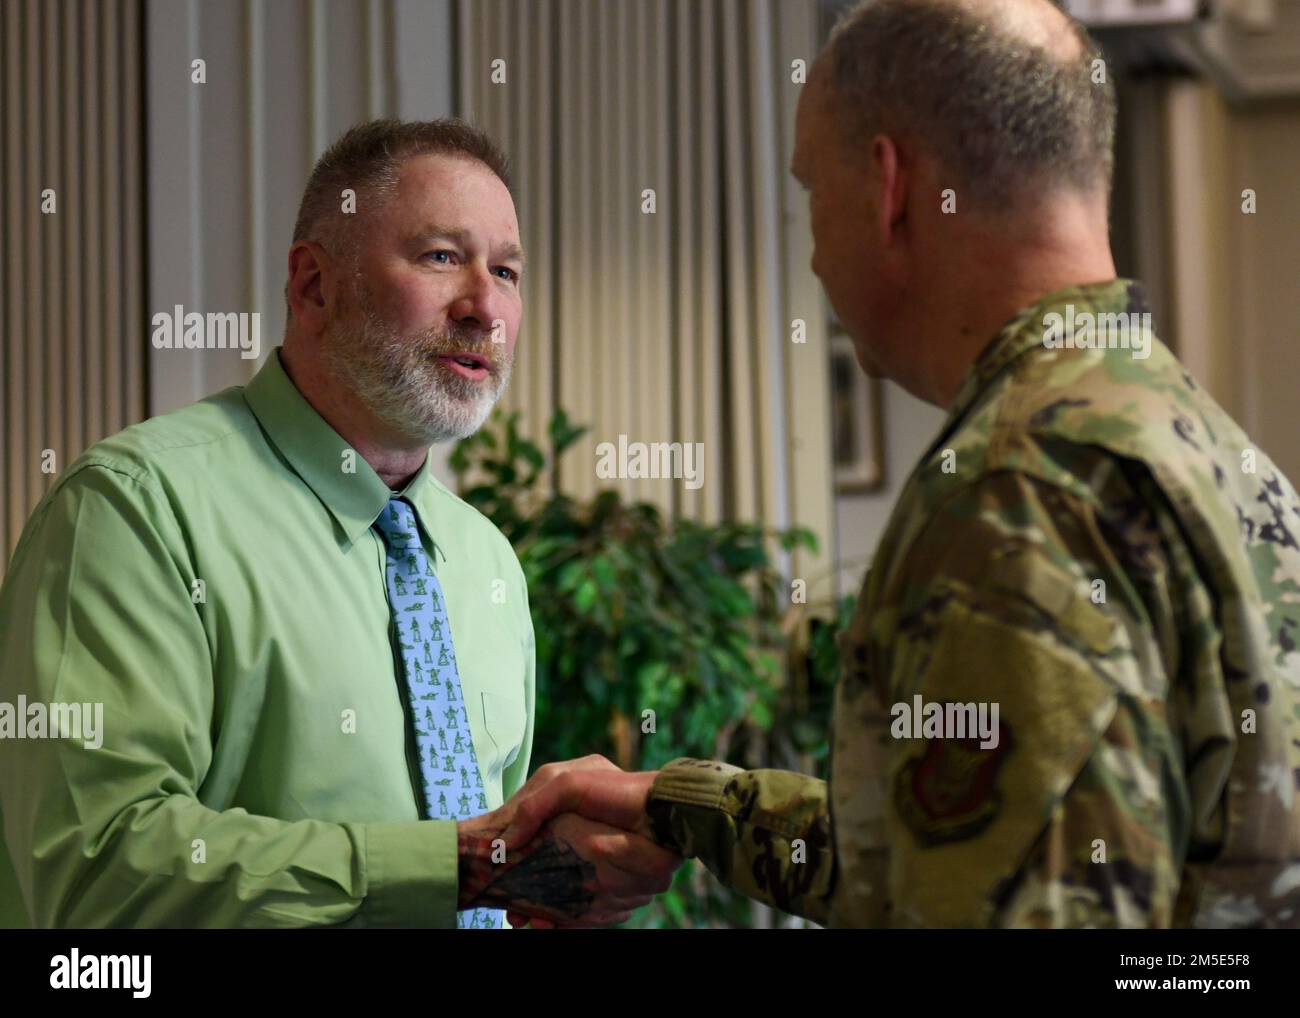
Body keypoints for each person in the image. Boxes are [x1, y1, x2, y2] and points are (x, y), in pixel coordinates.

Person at [497, 0, 1300, 928]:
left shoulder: (1013, 492)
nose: (812, 250)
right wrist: (689, 809)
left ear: (888, 185)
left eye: (812, 194)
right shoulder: (1206, 444)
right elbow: (980, 848)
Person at [0, 119, 677, 929]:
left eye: (507, 270)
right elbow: (94, 877)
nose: (486, 307)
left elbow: (496, 869)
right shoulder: (134, 511)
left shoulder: (487, 561)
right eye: (440, 257)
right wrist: (451, 868)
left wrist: (556, 876)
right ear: (314, 285)